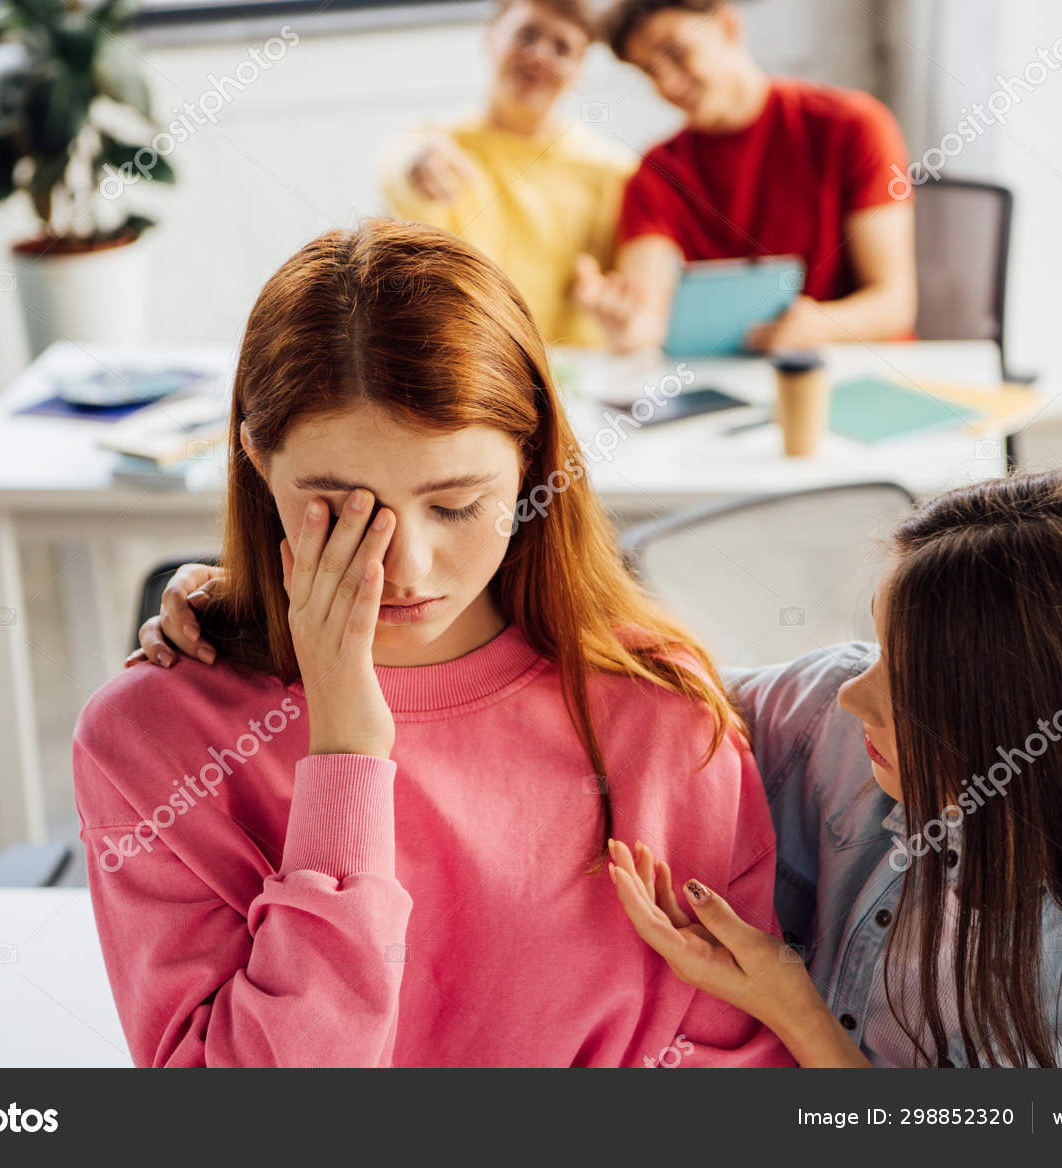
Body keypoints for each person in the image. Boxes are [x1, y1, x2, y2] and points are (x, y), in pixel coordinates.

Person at [73, 219, 794, 1067]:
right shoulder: (149, 741)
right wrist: (344, 755)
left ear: (532, 462)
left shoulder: (663, 712)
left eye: (455, 504)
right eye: (341, 506)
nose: (405, 566)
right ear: (255, 460)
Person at [608, 469, 1062, 1067]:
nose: (858, 693)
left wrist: (792, 1007)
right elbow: (637, 694)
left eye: (916, 691)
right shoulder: (833, 716)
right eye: (881, 646)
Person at [572, 0, 917, 354]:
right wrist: (631, 327)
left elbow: (894, 303)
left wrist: (824, 326)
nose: (668, 83)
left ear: (728, 26)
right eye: (649, 70)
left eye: (674, 52)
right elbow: (648, 304)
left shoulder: (854, 126)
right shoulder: (656, 173)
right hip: (746, 384)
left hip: (862, 370)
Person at [377, 0, 636, 348]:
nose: (540, 56)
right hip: (469, 366)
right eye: (527, 35)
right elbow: (401, 176)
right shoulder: (434, 147)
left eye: (562, 47)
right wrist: (415, 166)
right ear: (490, 38)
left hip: (574, 372)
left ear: (579, 70)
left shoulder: (610, 171)